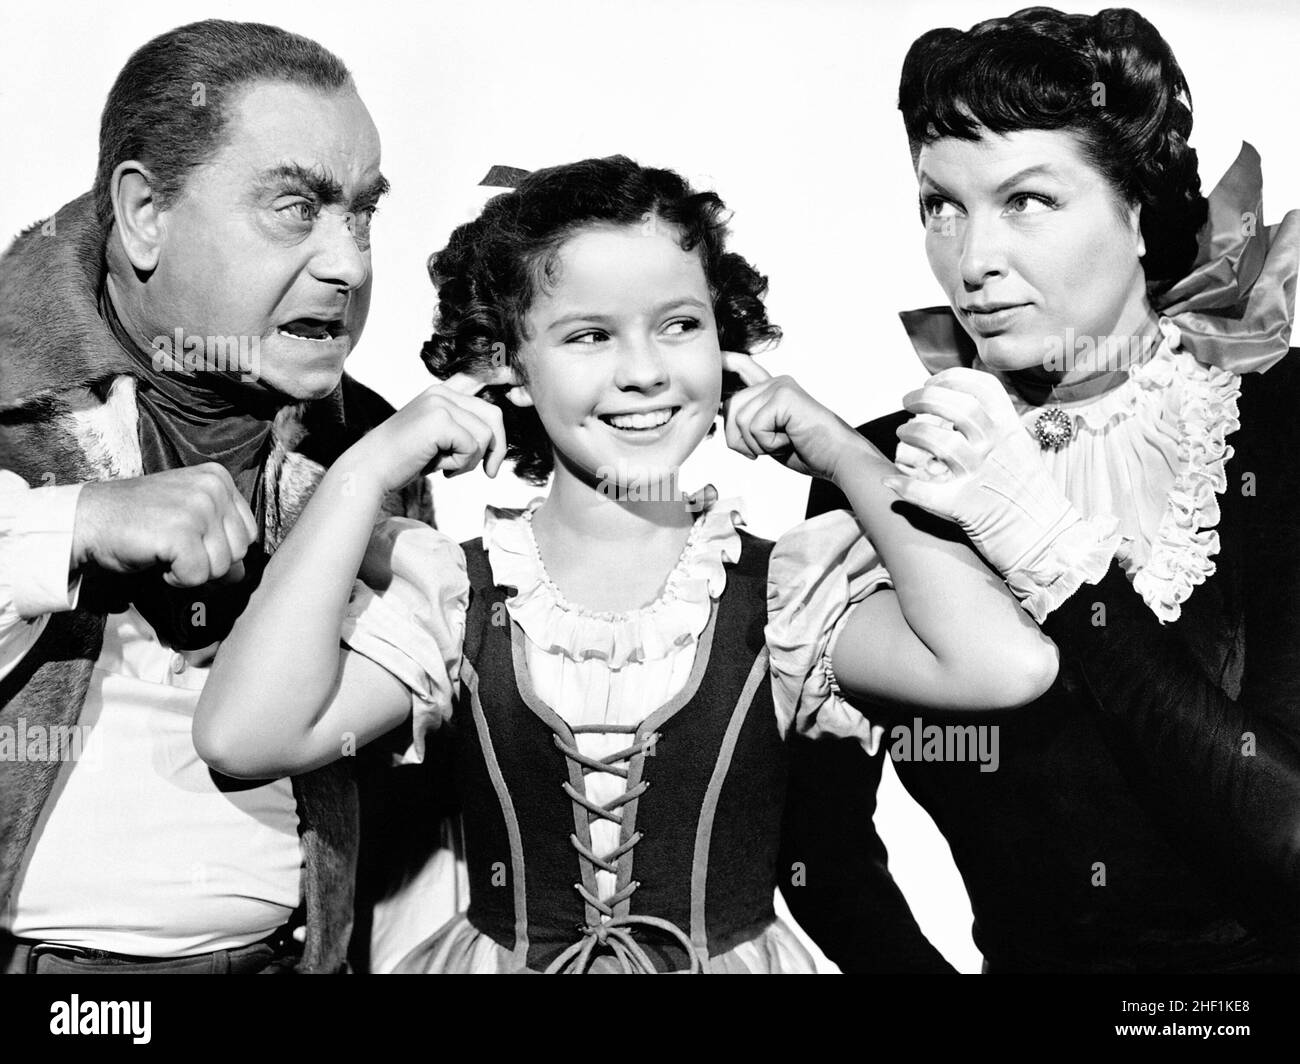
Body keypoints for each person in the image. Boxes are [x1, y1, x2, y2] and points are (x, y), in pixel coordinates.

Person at [194, 155, 1060, 974]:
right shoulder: (454, 592)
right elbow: (244, 735)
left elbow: (1005, 665)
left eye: (679, 325)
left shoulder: (784, 593)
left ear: (727, 342)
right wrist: (369, 467)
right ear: (509, 368)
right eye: (589, 336)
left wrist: (839, 450)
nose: (644, 371)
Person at [794, 6, 1300, 973]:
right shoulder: (879, 469)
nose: (973, 260)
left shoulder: (1283, 426)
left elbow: (1287, 845)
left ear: (1141, 212)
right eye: (941, 206)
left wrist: (1044, 542)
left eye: (1027, 200)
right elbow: (818, 844)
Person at [0, 19, 430, 974]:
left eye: (362, 215)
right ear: (146, 213)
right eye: (295, 208)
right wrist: (68, 526)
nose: (349, 264)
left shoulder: (371, 443)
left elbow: (402, 797)